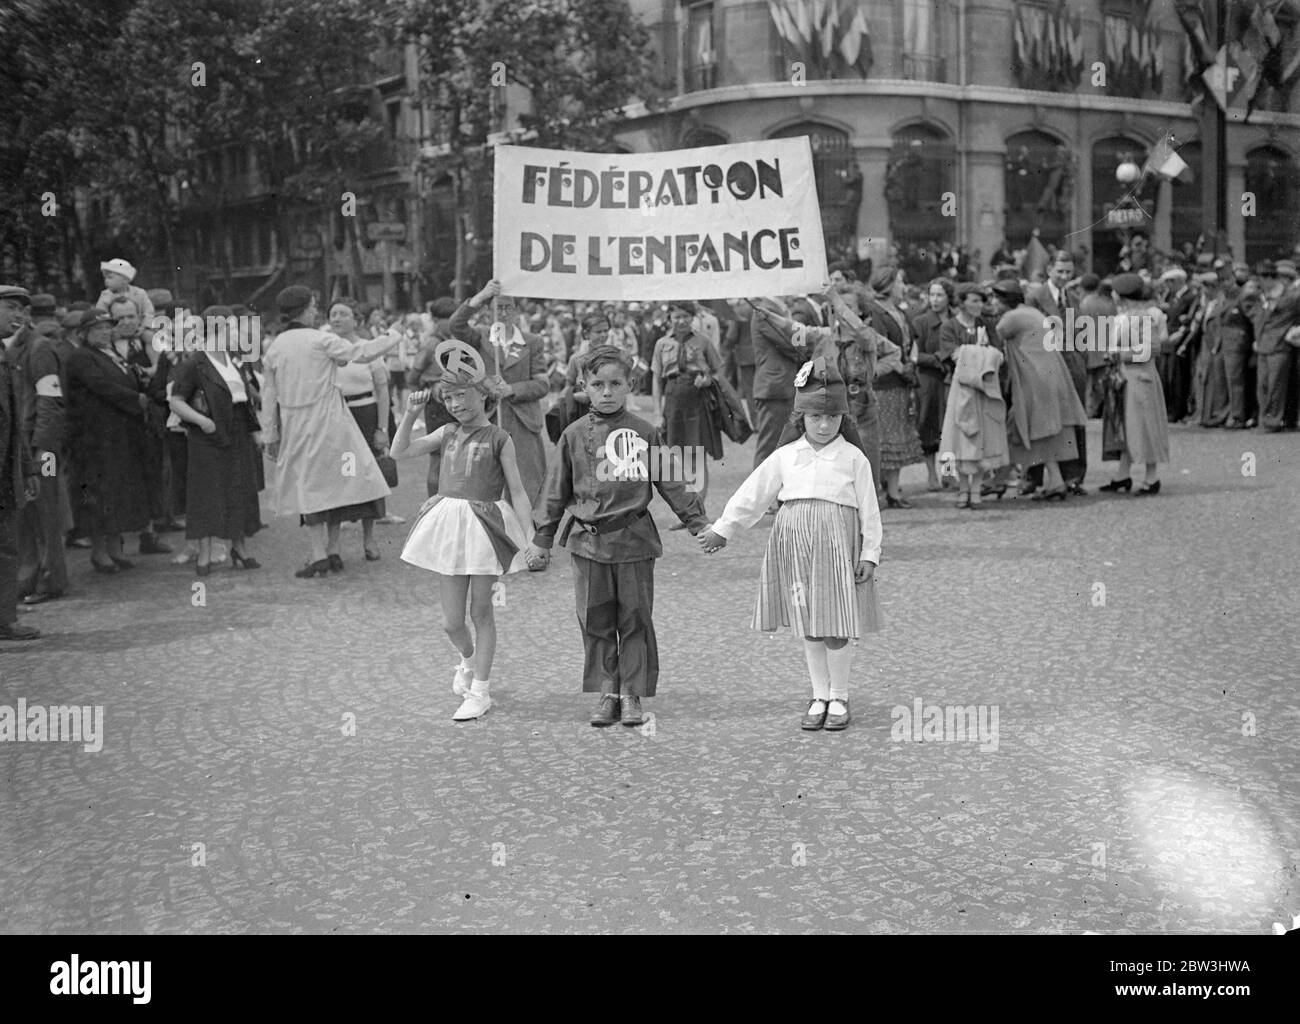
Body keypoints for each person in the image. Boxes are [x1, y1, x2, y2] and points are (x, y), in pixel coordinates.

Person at [525, 345, 709, 728]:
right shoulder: (573, 436)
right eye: (598, 384)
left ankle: (632, 693)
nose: (606, 392)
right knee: (595, 619)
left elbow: (672, 481)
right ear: (584, 386)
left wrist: (698, 523)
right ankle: (608, 690)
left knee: (635, 618)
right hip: (588, 545)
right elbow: (555, 490)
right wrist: (542, 539)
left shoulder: (645, 432)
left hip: (634, 541)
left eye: (615, 384)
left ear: (630, 386)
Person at [698, 357, 881, 732]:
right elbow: (754, 493)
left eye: (832, 417)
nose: (824, 425)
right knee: (810, 623)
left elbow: (870, 510)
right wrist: (723, 529)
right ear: (801, 418)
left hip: (836, 549)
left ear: (842, 419)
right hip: (795, 548)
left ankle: (840, 696)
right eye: (816, 417)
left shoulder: (853, 458)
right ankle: (819, 695)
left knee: (836, 624)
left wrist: (869, 554)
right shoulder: (785, 456)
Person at [391, 348, 535, 722]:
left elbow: (517, 491)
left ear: (483, 394)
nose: (455, 404)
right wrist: (410, 414)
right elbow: (399, 452)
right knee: (451, 621)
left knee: (482, 610)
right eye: (449, 397)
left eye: (462, 395)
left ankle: (480, 691)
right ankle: (467, 661)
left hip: (485, 526)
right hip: (451, 526)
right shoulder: (448, 432)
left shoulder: (500, 438)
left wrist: (531, 536)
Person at [259, 286, 403, 577]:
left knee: (308, 485)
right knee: (337, 482)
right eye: (313, 306)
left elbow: (268, 393)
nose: (316, 312)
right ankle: (325, 550)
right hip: (328, 422)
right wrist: (393, 335)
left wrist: (270, 433)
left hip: (295, 422)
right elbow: (361, 352)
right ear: (303, 309)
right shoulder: (321, 339)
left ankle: (321, 551)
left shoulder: (276, 346)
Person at [167, 306, 264, 575]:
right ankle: (205, 554)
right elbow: (175, 401)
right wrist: (201, 421)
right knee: (207, 494)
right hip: (208, 436)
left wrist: (255, 432)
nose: (237, 333)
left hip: (238, 433)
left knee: (240, 489)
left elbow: (244, 399)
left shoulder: (234, 360)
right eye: (232, 327)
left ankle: (239, 548)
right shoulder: (195, 363)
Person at [63, 308, 153, 572]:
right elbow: (100, 385)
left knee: (117, 493)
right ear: (84, 333)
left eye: (106, 327)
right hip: (94, 439)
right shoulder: (81, 357)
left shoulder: (110, 355)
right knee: (99, 496)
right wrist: (135, 399)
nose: (104, 331)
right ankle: (99, 553)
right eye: (98, 328)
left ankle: (115, 549)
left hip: (116, 437)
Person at [449, 280, 549, 505]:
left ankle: (527, 536)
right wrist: (481, 295)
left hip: (523, 422)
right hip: (489, 419)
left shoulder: (532, 342)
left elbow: (543, 384)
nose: (502, 313)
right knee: (487, 485)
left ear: (516, 312)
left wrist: (512, 389)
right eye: (497, 308)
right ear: (487, 312)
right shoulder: (481, 337)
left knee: (527, 484)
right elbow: (455, 325)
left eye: (508, 308)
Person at [991, 279, 1086, 502]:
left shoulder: (1011, 318)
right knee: (1045, 432)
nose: (993, 304)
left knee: (1024, 427)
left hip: (1036, 381)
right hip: (1050, 377)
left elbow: (997, 333)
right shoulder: (1032, 312)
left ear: (1005, 300)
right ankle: (1055, 482)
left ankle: (999, 478)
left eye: (995, 299)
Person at [327, 300, 393, 559]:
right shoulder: (325, 347)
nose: (337, 319)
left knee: (369, 478)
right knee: (335, 478)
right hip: (335, 418)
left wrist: (382, 428)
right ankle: (333, 544)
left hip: (365, 415)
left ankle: (369, 540)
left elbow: (383, 390)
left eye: (343, 314)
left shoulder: (367, 349)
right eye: (333, 314)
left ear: (356, 320)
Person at [1099, 274, 1169, 494]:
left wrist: (1119, 354)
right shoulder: (1126, 316)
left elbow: (1153, 349)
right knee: (1128, 427)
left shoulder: (1142, 317)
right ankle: (1123, 474)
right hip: (1127, 378)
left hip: (1141, 378)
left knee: (1146, 427)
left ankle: (1151, 477)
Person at [651, 300, 723, 510]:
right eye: (677, 317)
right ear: (670, 319)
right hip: (673, 400)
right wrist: (657, 412)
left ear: (692, 318)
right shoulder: (662, 344)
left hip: (697, 401)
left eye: (685, 317)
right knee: (675, 457)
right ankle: (685, 510)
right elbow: (656, 379)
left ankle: (697, 510)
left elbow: (718, 371)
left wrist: (708, 380)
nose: (681, 321)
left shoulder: (703, 341)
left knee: (697, 456)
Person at [1027, 252, 1088, 493]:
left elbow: (1082, 335)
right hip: (1046, 366)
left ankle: (1074, 476)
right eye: (1060, 271)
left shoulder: (1073, 297)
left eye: (1068, 272)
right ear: (1049, 269)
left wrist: (1080, 362)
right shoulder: (1035, 297)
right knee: (1043, 421)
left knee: (1075, 420)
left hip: (1072, 366)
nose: (1064, 276)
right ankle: (1033, 477)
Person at [0, 285, 41, 640]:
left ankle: (5, 620)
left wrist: (27, 468)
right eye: (11, 308)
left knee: (7, 548)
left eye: (21, 310)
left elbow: (13, 421)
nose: (18, 316)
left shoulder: (5, 355)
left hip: (5, 474)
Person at [864, 267, 923, 507]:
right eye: (899, 281)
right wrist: (901, 367)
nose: (903, 286)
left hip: (901, 382)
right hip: (884, 382)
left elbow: (912, 340)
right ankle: (878, 491)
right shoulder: (874, 312)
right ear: (888, 285)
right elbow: (878, 347)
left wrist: (912, 362)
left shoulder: (899, 311)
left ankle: (893, 491)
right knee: (883, 439)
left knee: (897, 436)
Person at [938, 323, 1010, 509]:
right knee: (960, 443)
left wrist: (980, 351)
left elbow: (1000, 356)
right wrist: (973, 352)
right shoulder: (951, 326)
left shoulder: (988, 323)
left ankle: (976, 490)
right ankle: (963, 489)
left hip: (984, 393)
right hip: (961, 391)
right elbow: (949, 353)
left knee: (981, 444)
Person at [407, 296, 460, 496]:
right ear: (437, 320)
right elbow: (413, 376)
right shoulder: (431, 343)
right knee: (438, 456)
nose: (454, 322)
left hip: (455, 402)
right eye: (450, 318)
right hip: (437, 406)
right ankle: (433, 503)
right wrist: (428, 391)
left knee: (455, 455)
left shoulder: (453, 341)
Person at [911, 278, 954, 490]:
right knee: (928, 426)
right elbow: (915, 355)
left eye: (940, 295)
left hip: (951, 378)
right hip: (928, 380)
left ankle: (948, 473)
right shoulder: (921, 321)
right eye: (932, 295)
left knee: (949, 427)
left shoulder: (956, 320)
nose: (935, 300)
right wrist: (938, 358)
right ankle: (931, 475)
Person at [1253, 259, 1300, 432]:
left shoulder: (1291, 296)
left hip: (1279, 346)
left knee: (1275, 387)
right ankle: (1264, 420)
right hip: (1263, 346)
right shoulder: (1265, 296)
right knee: (1263, 386)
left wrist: (1296, 329)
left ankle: (1272, 421)